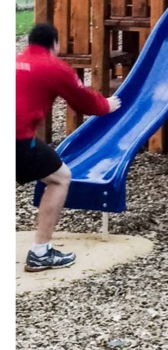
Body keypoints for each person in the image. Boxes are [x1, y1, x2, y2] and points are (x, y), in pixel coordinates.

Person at [17, 22, 118, 272]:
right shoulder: (54, 67)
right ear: (54, 43)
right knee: (60, 178)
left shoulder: (16, 60)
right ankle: (41, 253)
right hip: (15, 136)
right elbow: (83, 100)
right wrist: (106, 105)